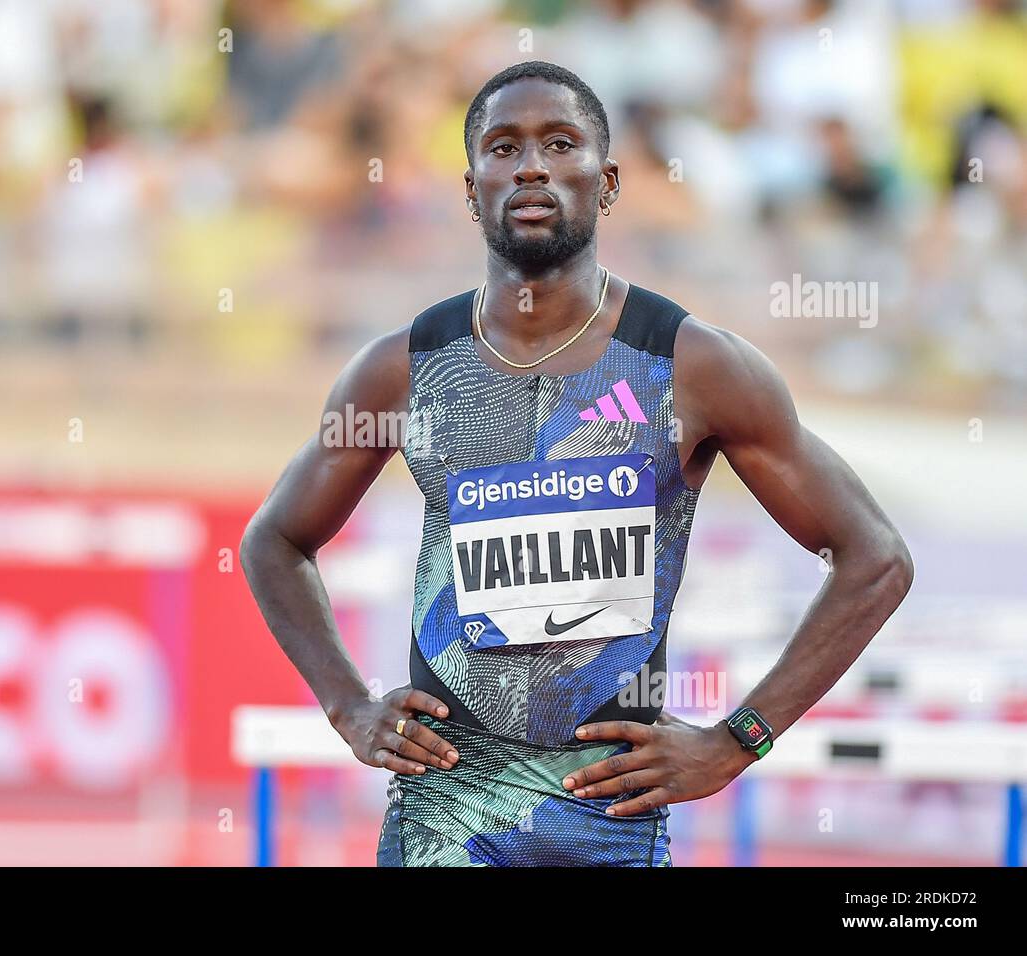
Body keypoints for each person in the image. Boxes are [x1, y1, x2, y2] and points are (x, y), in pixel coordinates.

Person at [239, 61, 913, 867]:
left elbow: (874, 559)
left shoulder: (693, 366)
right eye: (503, 147)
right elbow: (273, 540)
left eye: (561, 144)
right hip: (445, 820)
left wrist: (738, 741)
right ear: (471, 186)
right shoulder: (406, 369)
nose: (531, 165)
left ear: (608, 182)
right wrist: (349, 706)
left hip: (609, 822)